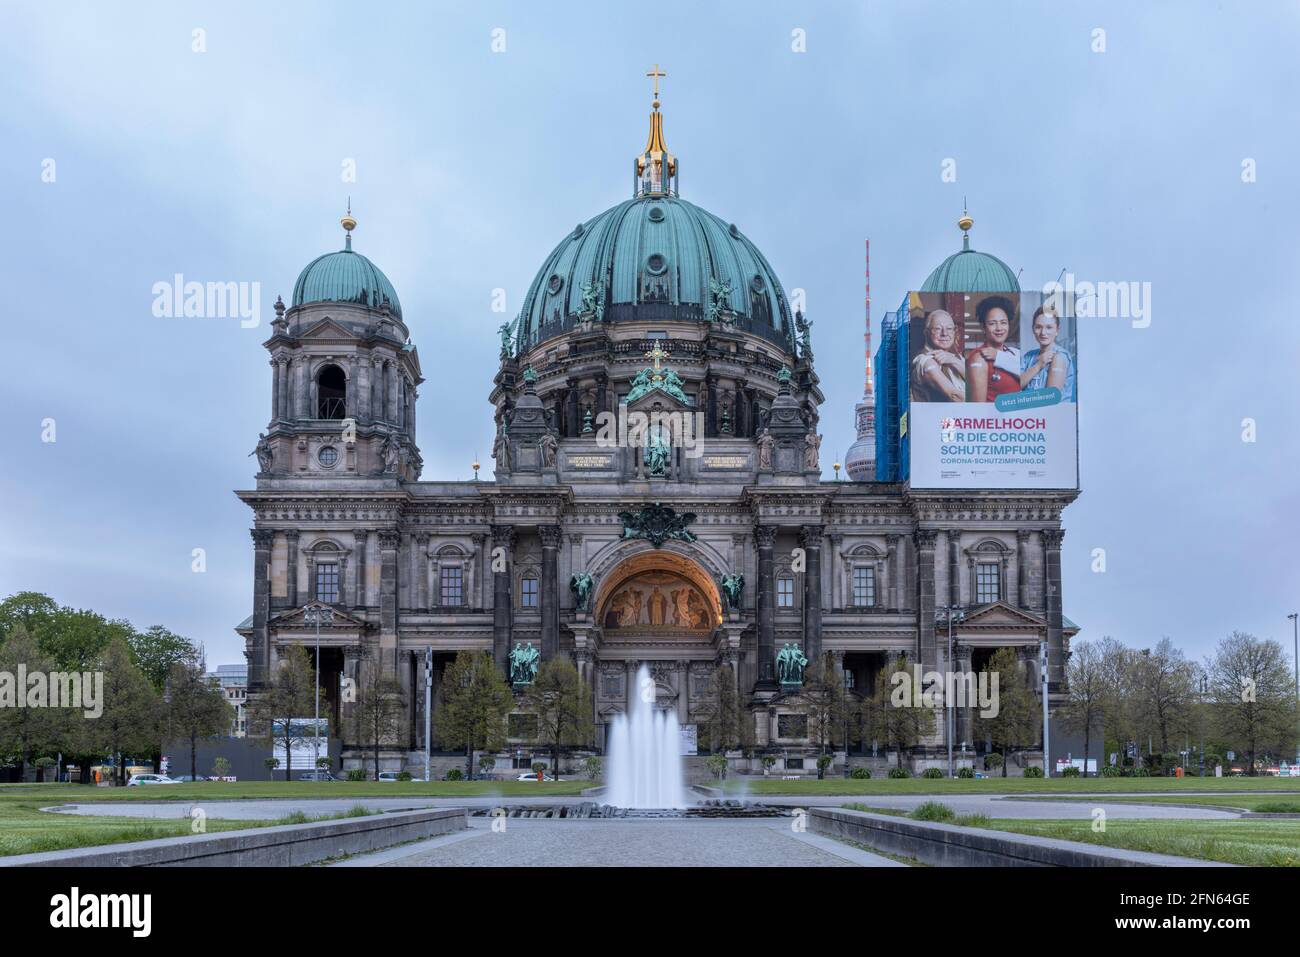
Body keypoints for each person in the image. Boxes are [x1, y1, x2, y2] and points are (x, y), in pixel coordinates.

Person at [965, 295, 1021, 402]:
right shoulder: (980, 358)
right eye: (992, 323)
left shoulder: (1013, 353)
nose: (999, 328)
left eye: (1003, 322)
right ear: (984, 327)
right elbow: (979, 408)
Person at [1020, 304, 1075, 400]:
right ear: (1033, 329)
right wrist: (1038, 365)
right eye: (1038, 327)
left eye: (1049, 327)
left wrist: (1020, 399)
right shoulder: (1028, 357)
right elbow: (1015, 386)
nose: (1043, 333)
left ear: (1057, 330)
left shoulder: (1059, 357)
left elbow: (1050, 400)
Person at [910, 309, 966, 402]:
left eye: (949, 328)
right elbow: (955, 396)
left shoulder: (956, 357)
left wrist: (954, 361)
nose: (944, 333)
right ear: (926, 333)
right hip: (937, 416)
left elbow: (976, 383)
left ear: (954, 331)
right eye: (937, 329)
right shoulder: (925, 361)